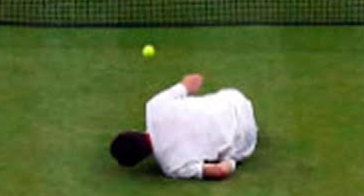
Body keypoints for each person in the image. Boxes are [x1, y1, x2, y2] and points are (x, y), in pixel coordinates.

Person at [109, 73, 258, 180]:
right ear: (133, 131)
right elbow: (193, 81)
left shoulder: (171, 167)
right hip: (237, 101)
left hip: (246, 141)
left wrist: (232, 161)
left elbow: (220, 171)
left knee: (226, 155)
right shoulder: (153, 106)